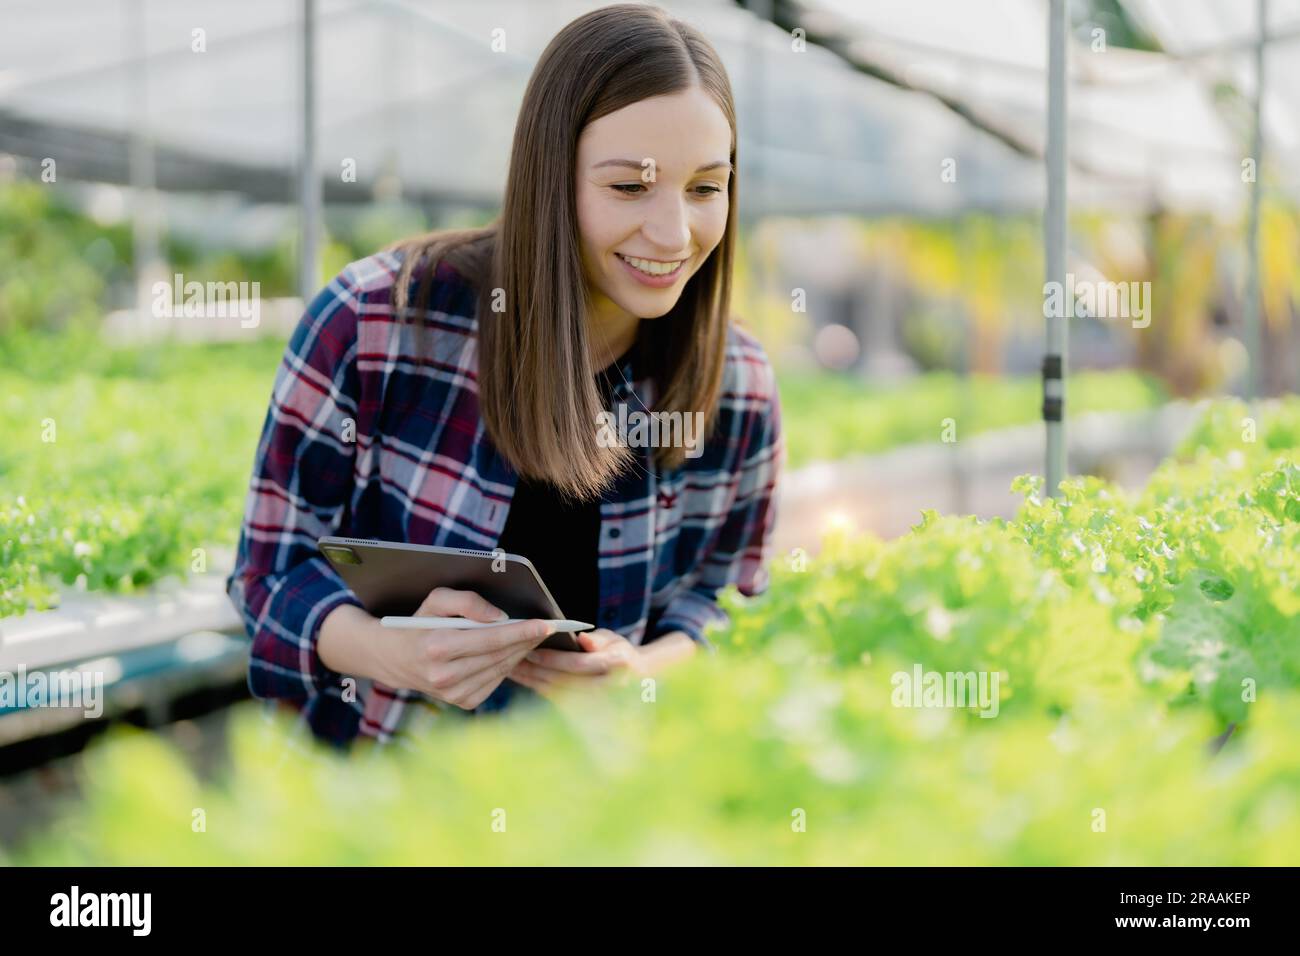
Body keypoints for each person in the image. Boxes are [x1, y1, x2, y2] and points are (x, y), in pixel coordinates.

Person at [225, 3, 783, 748]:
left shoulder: (737, 381)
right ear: (550, 174)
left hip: (607, 799)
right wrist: (393, 651)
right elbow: (269, 573)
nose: (673, 233)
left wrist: (649, 672)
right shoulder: (375, 323)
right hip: (381, 791)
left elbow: (730, 598)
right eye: (628, 188)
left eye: (705, 188)